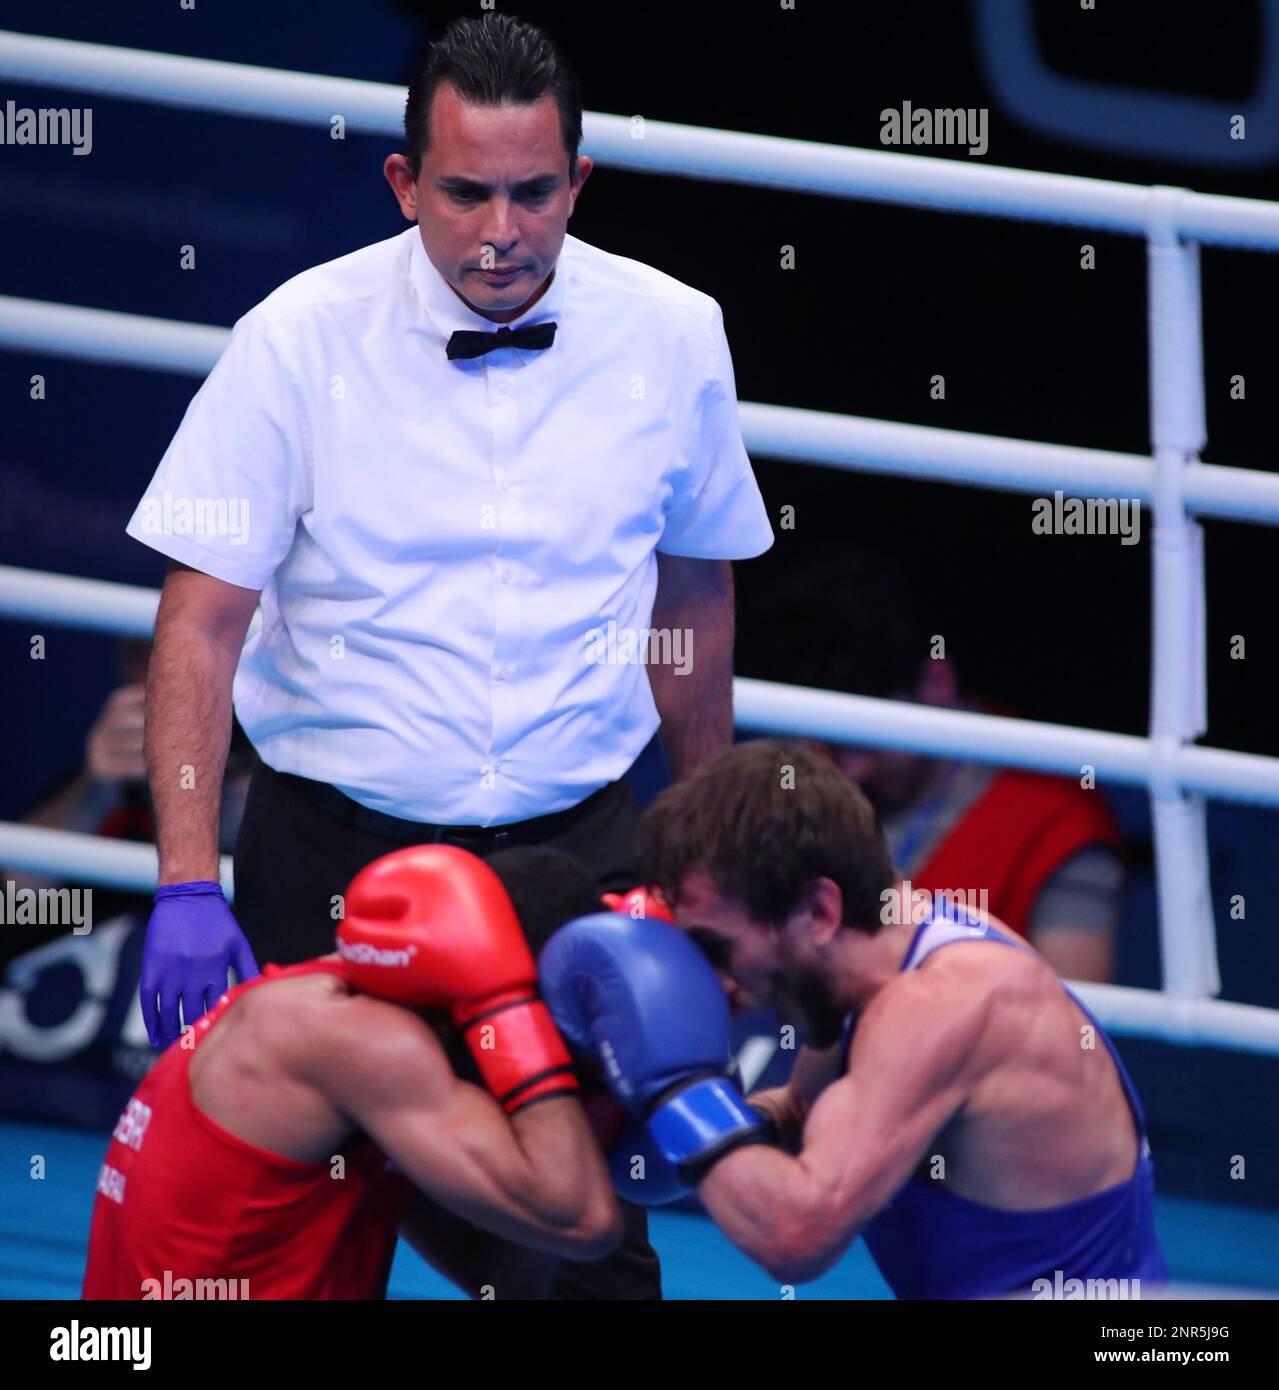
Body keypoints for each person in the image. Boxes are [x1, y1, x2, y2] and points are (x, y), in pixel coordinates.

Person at [123, 13, 771, 1299]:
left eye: (535, 194)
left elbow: (694, 592)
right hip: (331, 856)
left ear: (579, 182)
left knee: (585, 1253)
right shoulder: (295, 340)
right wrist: (188, 882)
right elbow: (199, 619)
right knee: (295, 1248)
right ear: (403, 182)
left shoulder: (674, 333)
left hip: (572, 854)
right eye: (466, 191)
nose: (499, 230)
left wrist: (706, 846)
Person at [538, 740, 1167, 1298]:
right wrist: (668, 1126)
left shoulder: (942, 1006)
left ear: (817, 910)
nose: (716, 984)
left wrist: (676, 1090)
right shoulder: (876, 958)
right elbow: (804, 1120)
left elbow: (796, 1237)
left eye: (717, 949)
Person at [82, 845, 625, 1300]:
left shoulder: (337, 1001)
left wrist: (593, 1094)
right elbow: (583, 1219)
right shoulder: (364, 1045)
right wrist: (529, 1025)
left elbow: (495, 1276)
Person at [746, 546, 1122, 982]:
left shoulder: (1058, 825)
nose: (850, 771)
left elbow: (1070, 1033)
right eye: (829, 741)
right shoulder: (795, 784)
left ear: (936, 685)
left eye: (863, 741)